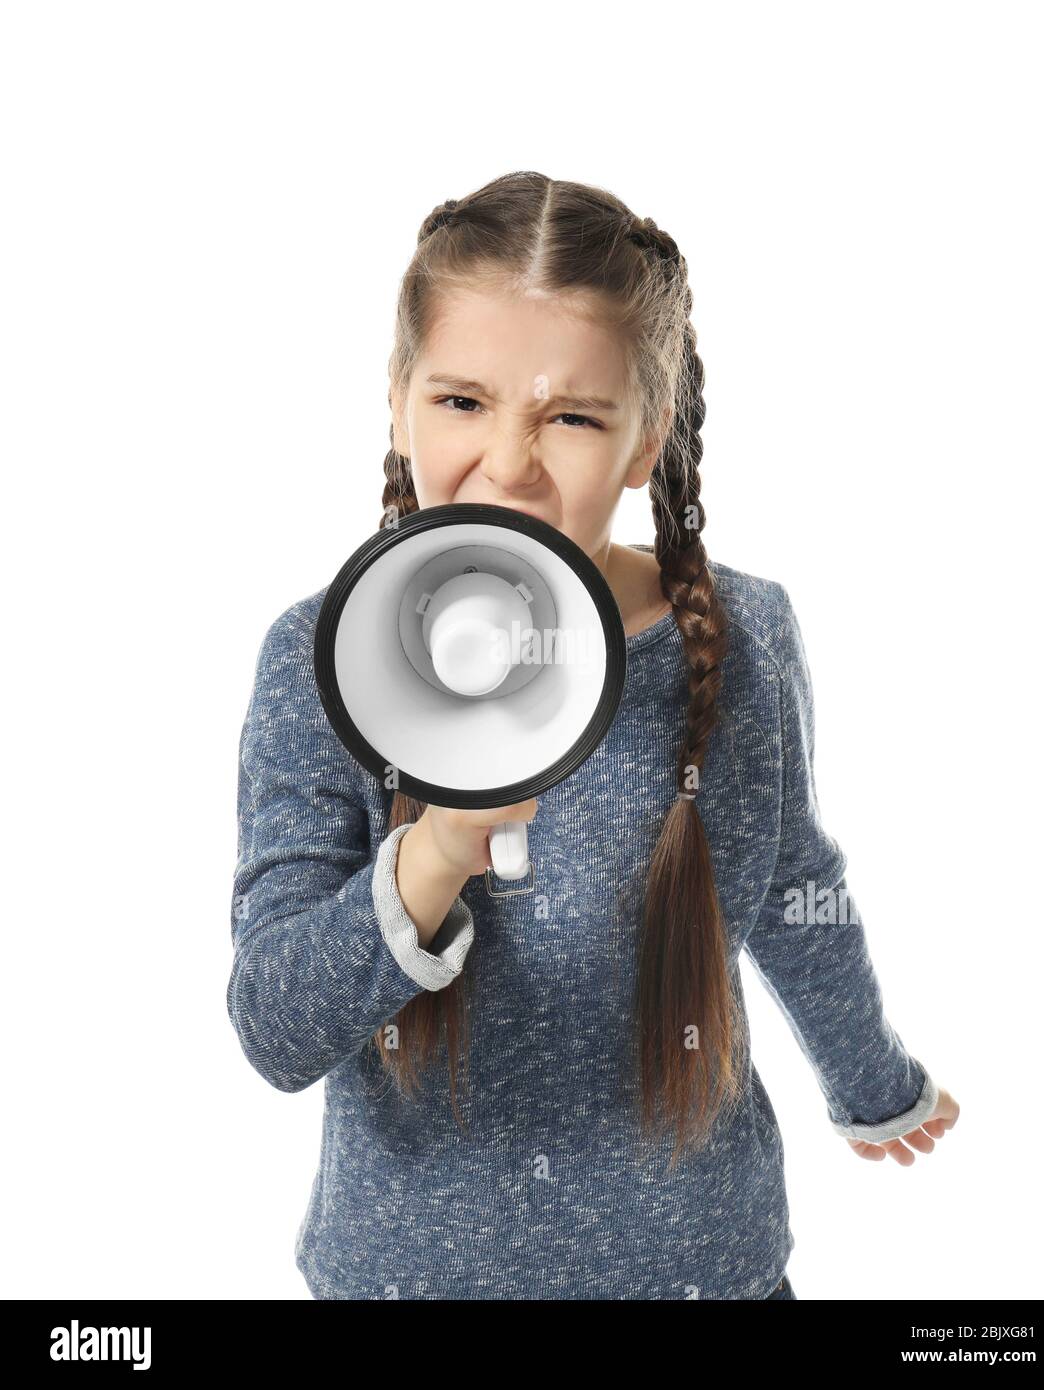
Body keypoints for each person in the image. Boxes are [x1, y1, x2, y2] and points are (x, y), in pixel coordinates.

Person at [228, 171, 959, 1301]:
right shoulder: (316, 657)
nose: (510, 464)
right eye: (461, 403)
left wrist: (873, 1081)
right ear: (396, 402)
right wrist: (431, 858)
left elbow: (794, 888)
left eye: (569, 416)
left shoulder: (741, 635)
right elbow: (277, 1026)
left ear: (644, 441)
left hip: (700, 1274)